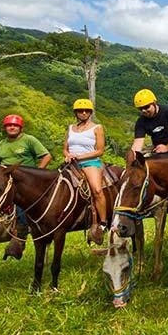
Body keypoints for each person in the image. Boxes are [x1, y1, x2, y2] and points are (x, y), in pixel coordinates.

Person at [0, 113, 52, 259]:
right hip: (5, 180)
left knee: (20, 204)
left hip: (24, 182)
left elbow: (46, 156)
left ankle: (20, 236)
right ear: (5, 128)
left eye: (15, 125)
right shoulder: (1, 144)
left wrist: (38, 173)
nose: (12, 127)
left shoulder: (29, 140)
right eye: (9, 125)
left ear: (20, 128)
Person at [62, 98, 111, 245]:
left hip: (90, 162)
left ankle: (103, 222)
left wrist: (80, 157)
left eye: (86, 111)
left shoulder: (97, 128)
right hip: (71, 163)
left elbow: (100, 151)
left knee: (97, 190)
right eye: (80, 111)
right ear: (75, 113)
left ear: (90, 112)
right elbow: (65, 148)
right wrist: (67, 155)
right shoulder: (71, 128)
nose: (83, 113)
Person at [131, 89, 168, 155]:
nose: (144, 111)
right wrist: (133, 156)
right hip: (158, 149)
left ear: (154, 103)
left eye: (146, 107)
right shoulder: (141, 121)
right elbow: (138, 143)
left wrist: (167, 148)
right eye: (140, 109)